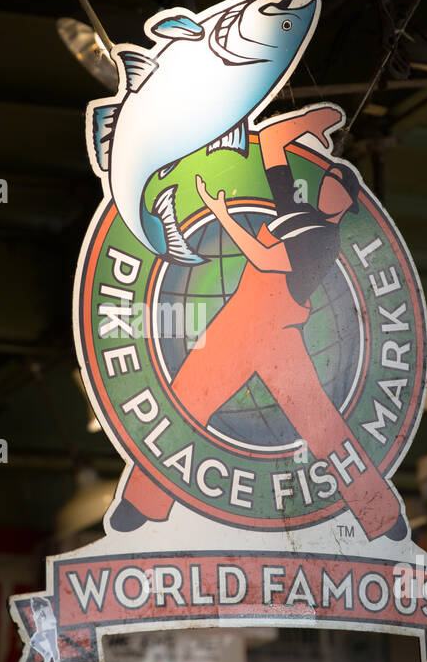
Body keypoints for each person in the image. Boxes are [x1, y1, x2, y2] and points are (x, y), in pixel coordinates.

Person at [111, 105, 405, 540]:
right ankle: (141, 502)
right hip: (235, 325)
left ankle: (380, 513)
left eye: (338, 187)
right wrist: (314, 121)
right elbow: (270, 142)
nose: (328, 187)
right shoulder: (296, 212)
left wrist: (222, 214)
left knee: (321, 426)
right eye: (327, 180)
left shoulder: (324, 241)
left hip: (277, 339)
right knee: (185, 404)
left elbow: (265, 258)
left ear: (348, 205)